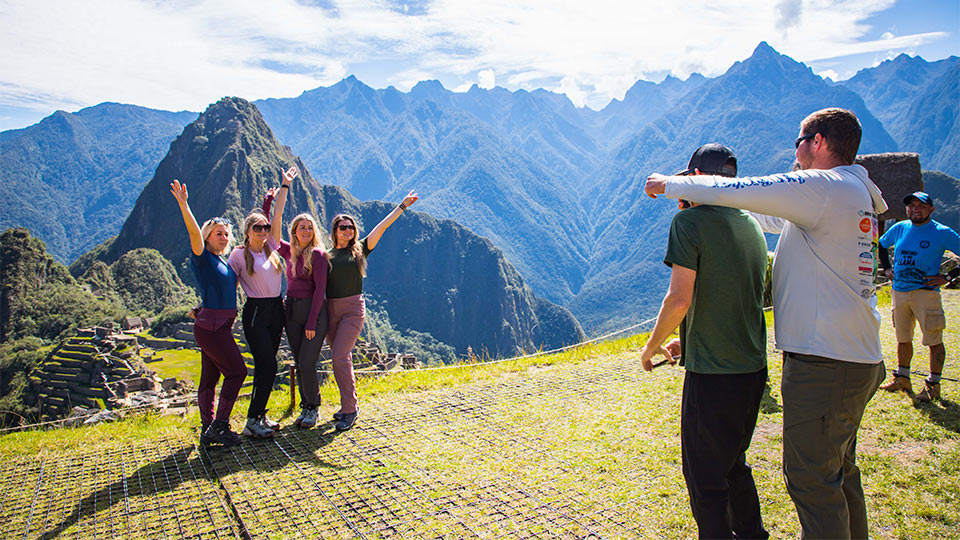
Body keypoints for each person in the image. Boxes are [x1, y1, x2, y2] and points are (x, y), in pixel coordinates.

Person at [645, 108, 889, 539]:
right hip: (845, 355)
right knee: (837, 472)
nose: (794, 151)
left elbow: (748, 190)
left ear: (816, 142)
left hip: (827, 360)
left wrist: (671, 185)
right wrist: (708, 201)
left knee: (811, 480)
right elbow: (753, 212)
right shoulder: (846, 195)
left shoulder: (825, 187)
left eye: (799, 140)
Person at [640, 143, 769, 539]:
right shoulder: (750, 223)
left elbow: (679, 297)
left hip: (714, 374)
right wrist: (688, 338)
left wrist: (652, 345)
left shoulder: (690, 224)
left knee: (704, 477)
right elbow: (735, 295)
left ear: (696, 179)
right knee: (734, 464)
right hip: (752, 369)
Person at [326, 190, 419, 431]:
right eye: (343, 227)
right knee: (341, 359)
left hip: (353, 310)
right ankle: (348, 404)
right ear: (335, 231)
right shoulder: (324, 256)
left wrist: (402, 206)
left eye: (350, 227)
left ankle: (350, 409)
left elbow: (382, 227)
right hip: (330, 310)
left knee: (338, 356)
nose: (348, 231)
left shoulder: (360, 250)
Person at [170, 179, 247, 447]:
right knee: (237, 372)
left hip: (216, 325)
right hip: (212, 328)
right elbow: (193, 234)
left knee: (210, 377)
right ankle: (220, 426)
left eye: (226, 234)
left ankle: (207, 426)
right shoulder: (202, 256)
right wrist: (184, 205)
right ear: (207, 236)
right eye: (218, 234)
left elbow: (219, 290)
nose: (224, 238)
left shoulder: (222, 261)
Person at [227, 166, 300, 437]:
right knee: (266, 364)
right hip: (256, 311)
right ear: (248, 230)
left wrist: (285, 186)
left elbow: (277, 215)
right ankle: (252, 420)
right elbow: (229, 285)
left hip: (275, 310)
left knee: (270, 365)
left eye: (265, 228)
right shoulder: (238, 255)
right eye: (257, 228)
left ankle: (259, 416)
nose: (262, 230)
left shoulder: (271, 248)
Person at [877, 191, 960, 402]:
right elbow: (882, 245)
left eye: (921, 206)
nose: (915, 209)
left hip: (926, 294)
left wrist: (948, 277)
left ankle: (933, 385)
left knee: (933, 339)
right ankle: (902, 378)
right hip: (900, 291)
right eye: (911, 205)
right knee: (903, 337)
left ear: (931, 209)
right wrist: (887, 268)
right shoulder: (900, 228)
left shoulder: (942, 232)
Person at [262, 176, 329, 429]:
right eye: (302, 227)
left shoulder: (319, 255)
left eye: (310, 228)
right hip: (291, 310)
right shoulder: (289, 252)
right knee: (299, 361)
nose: (306, 231)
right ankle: (305, 406)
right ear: (295, 231)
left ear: (314, 232)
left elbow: (321, 289)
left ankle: (313, 407)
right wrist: (273, 199)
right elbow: (271, 229)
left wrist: (312, 320)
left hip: (313, 312)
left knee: (307, 362)